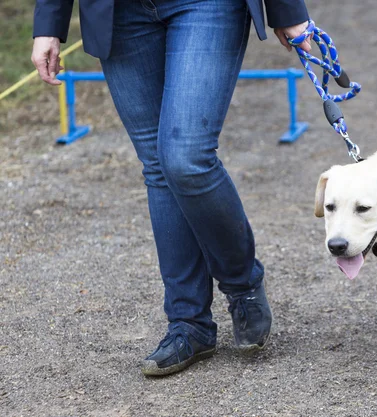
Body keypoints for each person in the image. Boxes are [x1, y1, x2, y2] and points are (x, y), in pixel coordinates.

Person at [31, 0, 312, 377]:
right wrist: (48, 22)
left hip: (206, 5)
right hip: (118, 12)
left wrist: (286, 9)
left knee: (186, 158)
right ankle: (188, 323)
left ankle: (242, 283)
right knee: (158, 165)